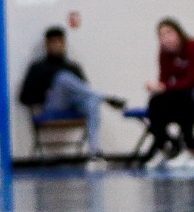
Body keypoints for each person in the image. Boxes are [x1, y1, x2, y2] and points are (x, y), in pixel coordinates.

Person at [17, 26, 125, 161]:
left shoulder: (73, 67)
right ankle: (104, 97)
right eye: (53, 42)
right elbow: (24, 97)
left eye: (60, 42)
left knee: (92, 101)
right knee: (63, 78)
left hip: (73, 105)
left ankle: (95, 150)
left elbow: (84, 91)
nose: (57, 45)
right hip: (53, 105)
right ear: (47, 44)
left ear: (64, 44)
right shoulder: (38, 67)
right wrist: (45, 93)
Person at [143, 18, 194, 169]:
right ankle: (162, 146)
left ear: (179, 33)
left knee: (185, 100)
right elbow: (164, 78)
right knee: (156, 102)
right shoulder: (164, 53)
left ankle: (190, 147)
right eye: (161, 35)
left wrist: (166, 87)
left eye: (169, 33)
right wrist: (158, 88)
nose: (165, 38)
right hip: (179, 92)